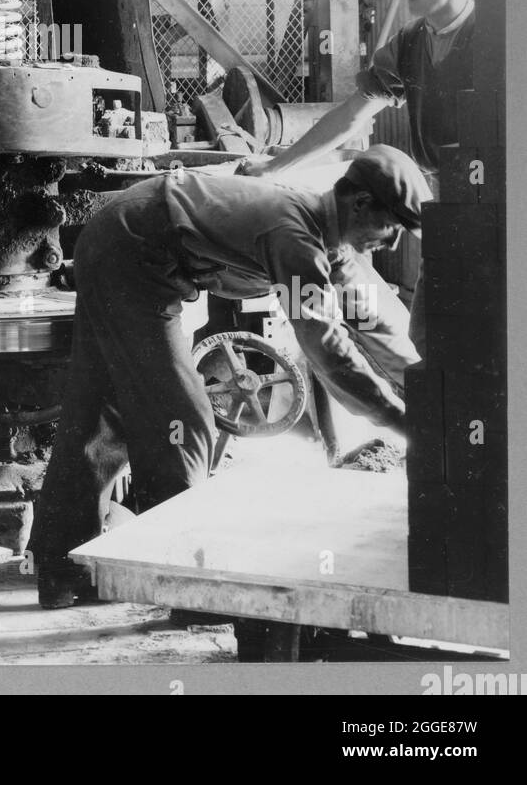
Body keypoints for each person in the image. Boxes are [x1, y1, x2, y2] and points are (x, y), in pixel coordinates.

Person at [28, 145, 431, 608]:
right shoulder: (293, 236)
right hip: (129, 249)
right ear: (359, 204)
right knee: (183, 420)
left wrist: (430, 386)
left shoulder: (329, 242)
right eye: (391, 226)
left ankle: (61, 570)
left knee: (106, 408)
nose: (393, 242)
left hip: (129, 245)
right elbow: (329, 352)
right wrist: (404, 422)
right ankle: (176, 586)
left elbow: (373, 325)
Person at [247, 0, 473, 351]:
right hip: (447, 206)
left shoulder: (495, 40)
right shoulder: (409, 44)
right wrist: (273, 168)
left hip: (497, 208)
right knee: (428, 339)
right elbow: (352, 115)